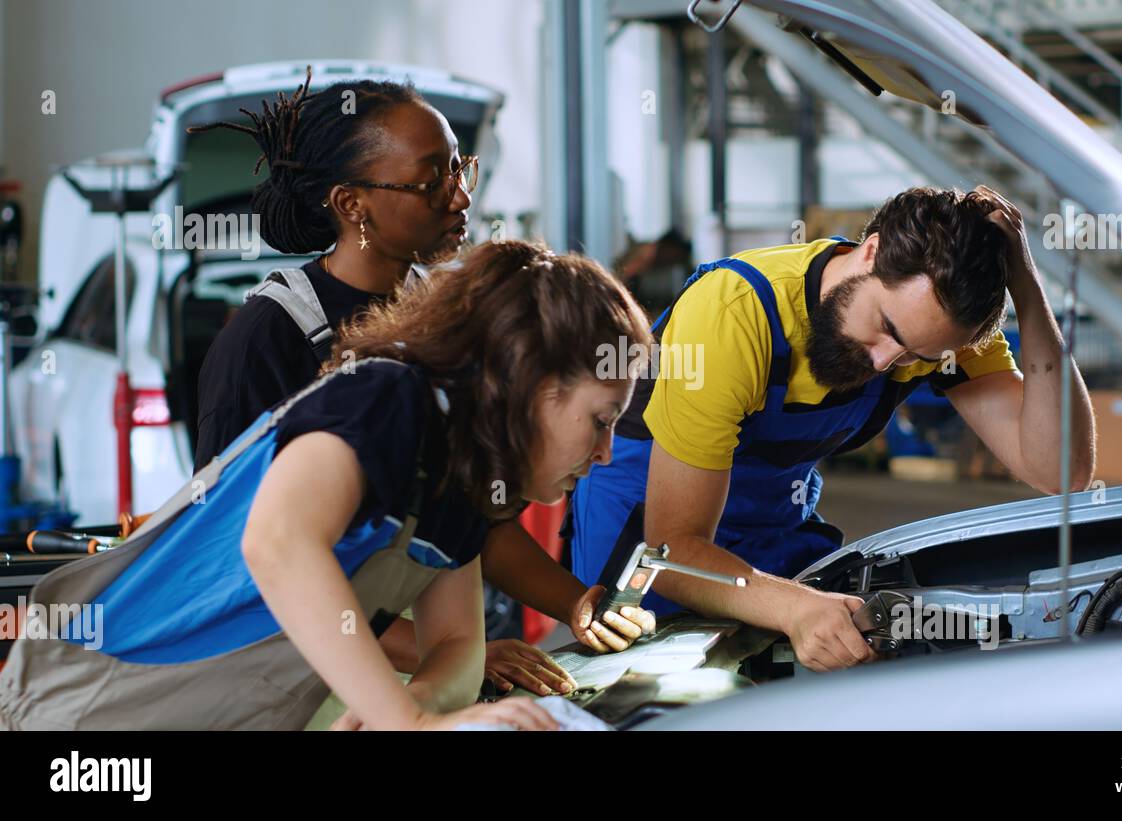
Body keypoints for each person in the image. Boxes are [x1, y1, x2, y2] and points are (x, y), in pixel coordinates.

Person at [0, 241, 652, 731]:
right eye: (599, 420)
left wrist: (415, 704)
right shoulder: (386, 399)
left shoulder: (466, 480)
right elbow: (279, 542)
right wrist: (410, 723)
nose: (603, 452)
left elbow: (455, 644)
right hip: (93, 716)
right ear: (531, 380)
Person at [190, 69, 651, 693]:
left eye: (461, 170)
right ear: (352, 204)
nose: (460, 198)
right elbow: (246, 559)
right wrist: (429, 656)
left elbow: (475, 515)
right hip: (282, 668)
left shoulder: (444, 319)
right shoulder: (267, 340)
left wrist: (576, 603)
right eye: (432, 181)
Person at [569, 185, 1097, 672]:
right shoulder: (735, 314)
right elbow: (675, 551)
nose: (887, 362)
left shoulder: (938, 329)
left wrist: (1027, 289)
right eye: (887, 329)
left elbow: (1060, 470)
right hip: (646, 529)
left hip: (770, 517)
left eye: (919, 353)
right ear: (870, 252)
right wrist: (795, 607)